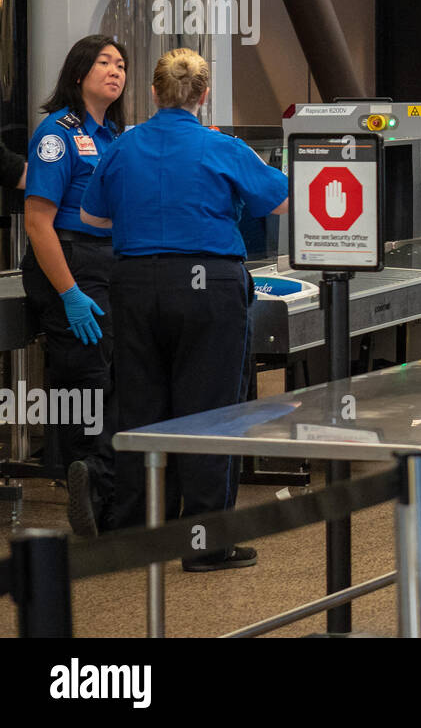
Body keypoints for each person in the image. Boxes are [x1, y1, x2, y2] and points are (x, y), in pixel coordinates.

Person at [81, 48, 288, 570]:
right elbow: (281, 199)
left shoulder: (123, 148)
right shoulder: (221, 146)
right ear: (203, 95)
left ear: (152, 93)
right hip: (208, 285)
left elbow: (90, 214)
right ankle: (204, 543)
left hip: (133, 283)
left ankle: (135, 534)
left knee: (138, 407)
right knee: (210, 411)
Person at [22, 34, 126, 537]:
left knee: (111, 379)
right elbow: (38, 222)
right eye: (104, 62)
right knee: (85, 379)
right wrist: (68, 293)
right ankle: (86, 492)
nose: (115, 70)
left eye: (122, 65)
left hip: (108, 262)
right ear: (79, 72)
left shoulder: (115, 136)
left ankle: (106, 494)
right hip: (68, 259)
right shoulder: (56, 134)